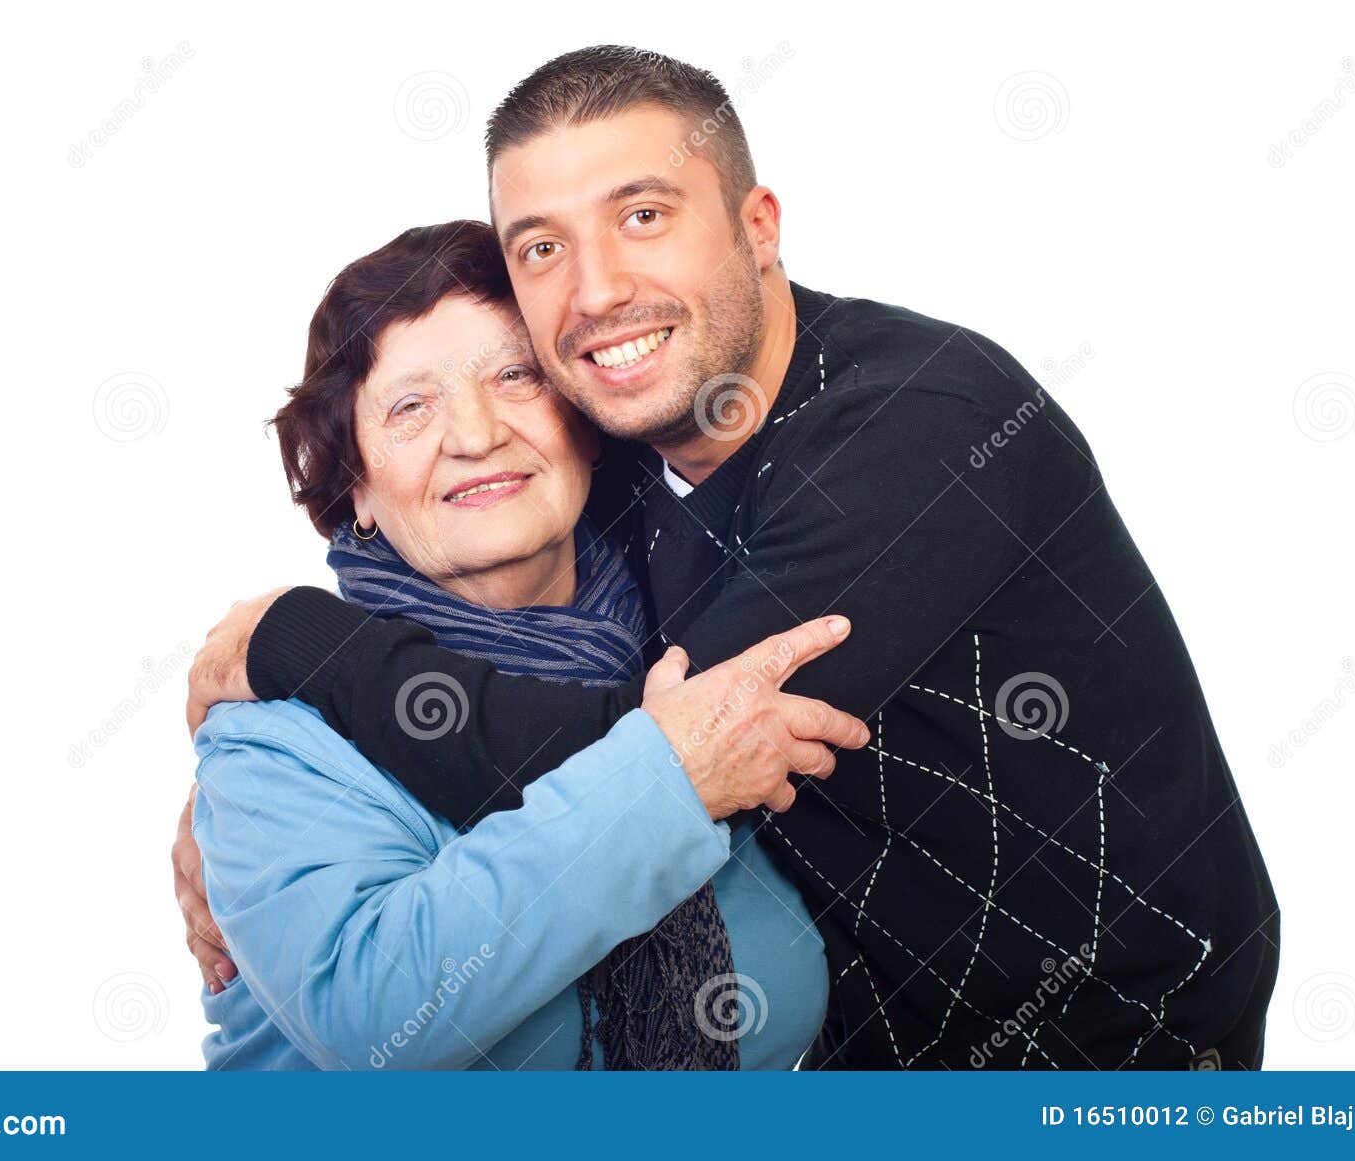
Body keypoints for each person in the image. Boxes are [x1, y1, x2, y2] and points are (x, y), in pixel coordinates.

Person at [180, 46, 1279, 1069]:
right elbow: (603, 733)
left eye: (644, 215)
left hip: (1112, 1048)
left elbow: (654, 755)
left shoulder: (920, 427)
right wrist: (249, 812)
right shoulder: (614, 458)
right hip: (867, 1055)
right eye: (542, 248)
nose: (597, 289)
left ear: (758, 227)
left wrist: (298, 644)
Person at [186, 219, 865, 1070]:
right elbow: (375, 1016)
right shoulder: (277, 740)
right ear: (354, 482)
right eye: (410, 405)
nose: (475, 434)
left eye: (515, 375)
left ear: (584, 418)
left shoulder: (697, 648)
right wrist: (670, 774)